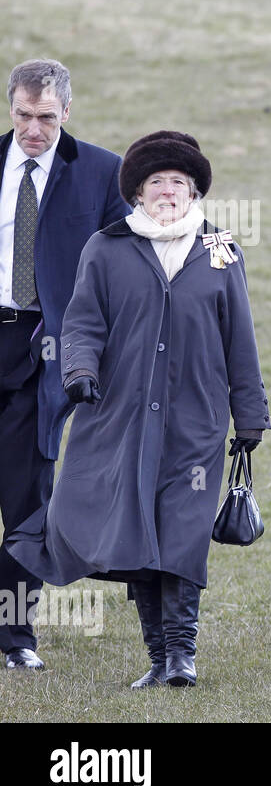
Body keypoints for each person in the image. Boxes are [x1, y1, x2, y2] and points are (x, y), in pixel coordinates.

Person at [5, 130, 270, 687]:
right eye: (156, 182)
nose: (168, 191)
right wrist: (79, 372)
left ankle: (181, 657)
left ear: (195, 192)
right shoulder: (105, 247)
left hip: (196, 424)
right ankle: (159, 659)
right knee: (135, 535)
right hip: (117, 417)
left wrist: (250, 417)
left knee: (182, 533)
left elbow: (239, 340)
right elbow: (81, 323)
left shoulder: (222, 252)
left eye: (179, 182)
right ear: (138, 193)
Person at [0, 59, 131, 671]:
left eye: (46, 118)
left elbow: (125, 259)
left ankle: (14, 636)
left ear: (67, 113)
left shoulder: (102, 172)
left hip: (44, 350)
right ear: (11, 108)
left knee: (26, 500)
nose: (33, 129)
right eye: (23, 116)